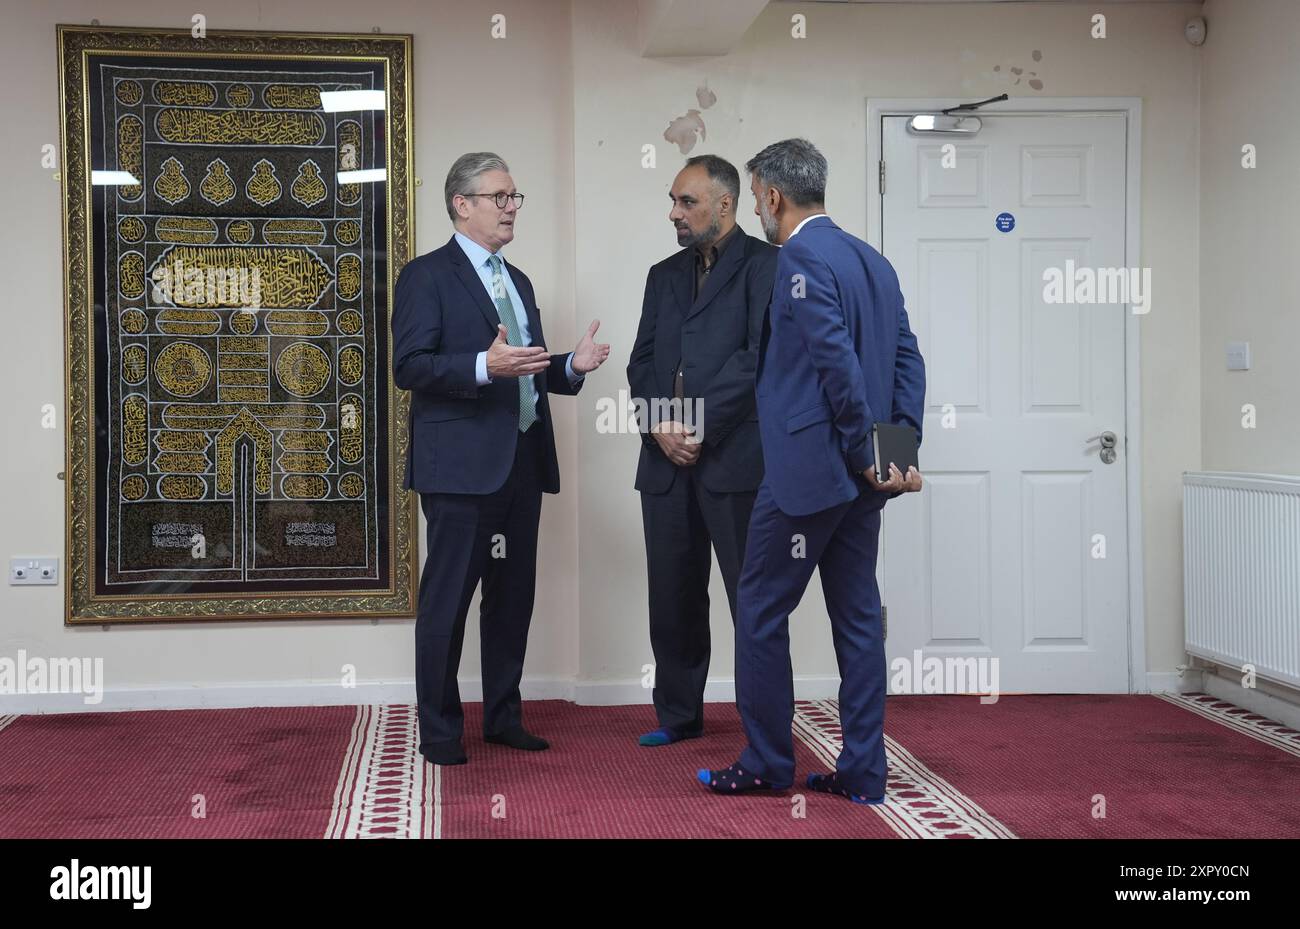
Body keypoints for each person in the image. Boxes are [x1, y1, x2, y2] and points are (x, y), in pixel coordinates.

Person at [698, 138, 926, 803]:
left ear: (771, 196)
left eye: (757, 198)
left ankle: (767, 763)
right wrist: (894, 453)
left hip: (811, 474)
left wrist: (862, 449)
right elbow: (907, 359)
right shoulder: (872, 260)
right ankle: (862, 771)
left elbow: (835, 363)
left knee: (761, 609)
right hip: (865, 475)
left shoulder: (799, 255)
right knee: (857, 617)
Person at [392, 152, 610, 766]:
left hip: (521, 462)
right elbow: (409, 367)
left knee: (513, 599)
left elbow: (527, 371)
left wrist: (570, 367)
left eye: (516, 197)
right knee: (448, 602)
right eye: (500, 197)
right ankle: (438, 732)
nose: (512, 208)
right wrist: (485, 365)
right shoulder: (426, 276)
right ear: (462, 204)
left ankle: (503, 718)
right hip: (460, 472)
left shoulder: (519, 281)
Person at [627, 155, 777, 747]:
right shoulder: (662, 274)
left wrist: (696, 426)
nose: (674, 213)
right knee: (673, 595)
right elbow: (642, 361)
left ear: (725, 204)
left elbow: (756, 360)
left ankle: (762, 730)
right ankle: (678, 716)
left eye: (686, 202)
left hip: (735, 461)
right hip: (664, 462)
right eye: (673, 201)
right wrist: (660, 424)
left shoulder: (768, 267)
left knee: (751, 600)